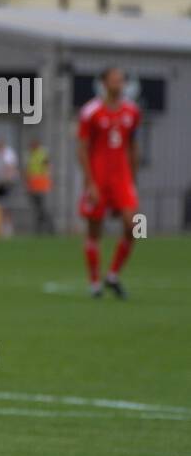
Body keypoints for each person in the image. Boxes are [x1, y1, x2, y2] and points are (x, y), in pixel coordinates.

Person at [78, 67, 141, 298]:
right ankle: (95, 282)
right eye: (114, 80)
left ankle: (113, 275)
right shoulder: (90, 111)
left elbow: (133, 146)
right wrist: (90, 183)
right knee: (95, 231)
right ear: (104, 83)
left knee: (135, 226)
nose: (119, 84)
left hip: (122, 178)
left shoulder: (132, 111)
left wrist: (133, 180)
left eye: (121, 80)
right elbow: (82, 149)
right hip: (99, 178)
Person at [25, 140, 53, 234]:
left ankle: (49, 227)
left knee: (42, 208)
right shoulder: (31, 154)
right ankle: (40, 228)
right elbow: (29, 170)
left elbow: (47, 167)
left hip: (41, 184)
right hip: (33, 185)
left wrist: (48, 182)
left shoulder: (42, 153)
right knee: (38, 208)